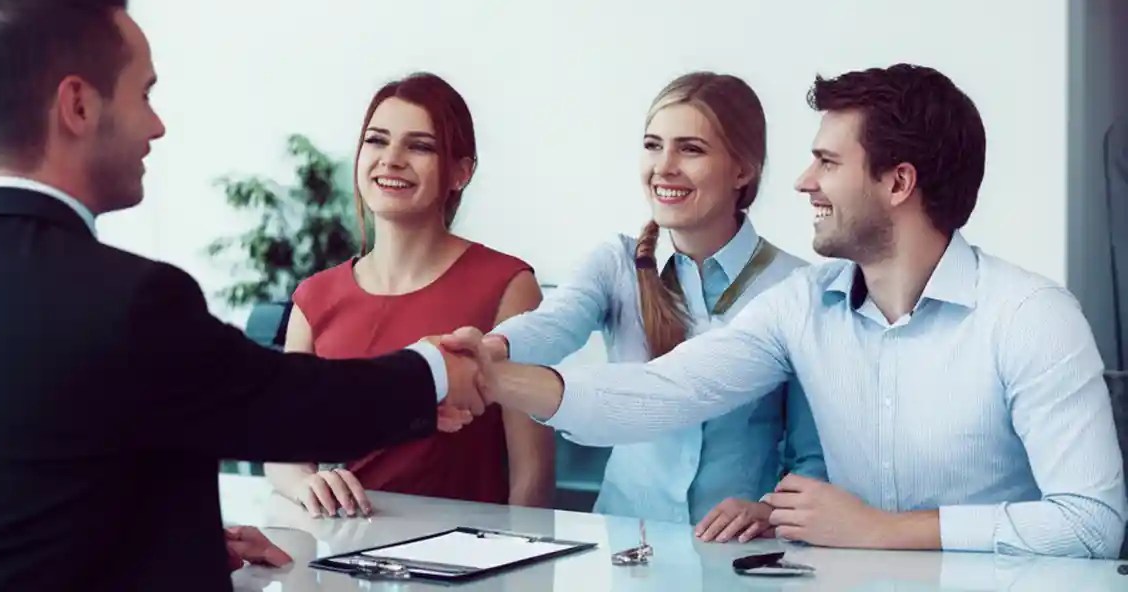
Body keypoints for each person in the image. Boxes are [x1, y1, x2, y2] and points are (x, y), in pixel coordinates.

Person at [0, 0, 488, 592]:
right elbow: (288, 407)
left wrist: (166, 542)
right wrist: (434, 368)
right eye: (144, 95)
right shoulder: (130, 302)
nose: (156, 126)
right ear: (78, 105)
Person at [439, 63, 1127, 559]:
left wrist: (884, 529)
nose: (801, 182)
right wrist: (495, 375)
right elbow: (663, 390)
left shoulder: (1032, 317)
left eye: (826, 162)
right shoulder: (803, 306)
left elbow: (1093, 523)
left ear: (898, 182)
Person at [483, 72, 823, 540]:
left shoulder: (798, 287)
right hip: (624, 547)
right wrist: (491, 348)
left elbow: (813, 454)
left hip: (738, 558)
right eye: (652, 145)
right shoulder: (616, 263)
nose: (664, 167)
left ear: (743, 170)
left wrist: (768, 509)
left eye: (691, 149)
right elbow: (554, 325)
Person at [265, 72, 554, 515]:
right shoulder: (314, 297)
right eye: (377, 141)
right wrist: (306, 484)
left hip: (467, 566)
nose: (391, 159)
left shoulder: (509, 286)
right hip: (340, 563)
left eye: (420, 146)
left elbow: (532, 472)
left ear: (461, 170)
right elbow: (284, 451)